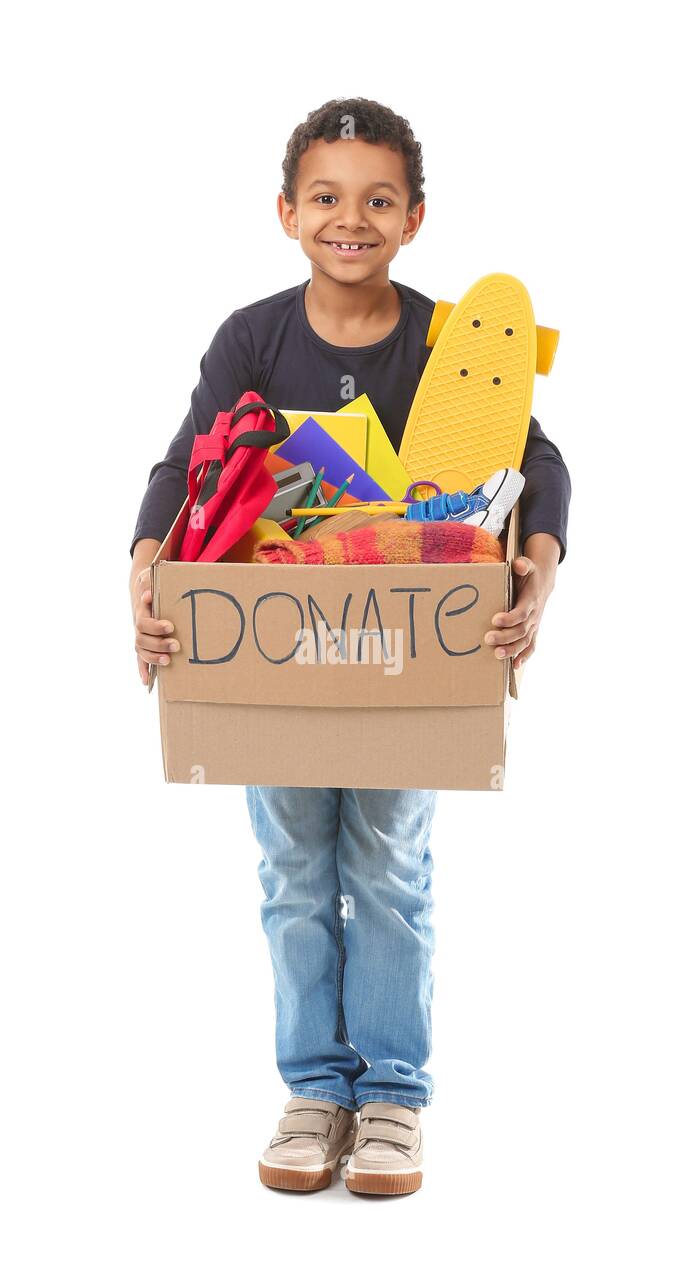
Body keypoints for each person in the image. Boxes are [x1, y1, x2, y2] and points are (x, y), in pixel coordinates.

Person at [129, 97, 571, 1197]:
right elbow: (182, 467)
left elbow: (537, 461)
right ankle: (315, 1090)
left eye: (378, 200)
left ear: (415, 218)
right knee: (290, 870)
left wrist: (540, 567)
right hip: (273, 658)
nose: (351, 219)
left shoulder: (451, 338)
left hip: (401, 663)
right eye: (326, 197)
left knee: (387, 868)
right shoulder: (251, 337)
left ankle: (393, 1100)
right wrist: (145, 570)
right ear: (286, 211)